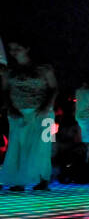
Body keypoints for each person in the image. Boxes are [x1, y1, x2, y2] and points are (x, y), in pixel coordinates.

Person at [0, 38, 57, 191]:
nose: (13, 52)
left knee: (43, 146)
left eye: (17, 48)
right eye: (11, 49)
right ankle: (19, 181)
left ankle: (43, 179)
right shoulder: (10, 71)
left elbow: (53, 88)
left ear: (27, 48)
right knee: (18, 146)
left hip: (43, 113)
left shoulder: (43, 68)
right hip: (18, 112)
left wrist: (46, 106)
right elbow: (5, 90)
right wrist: (10, 108)